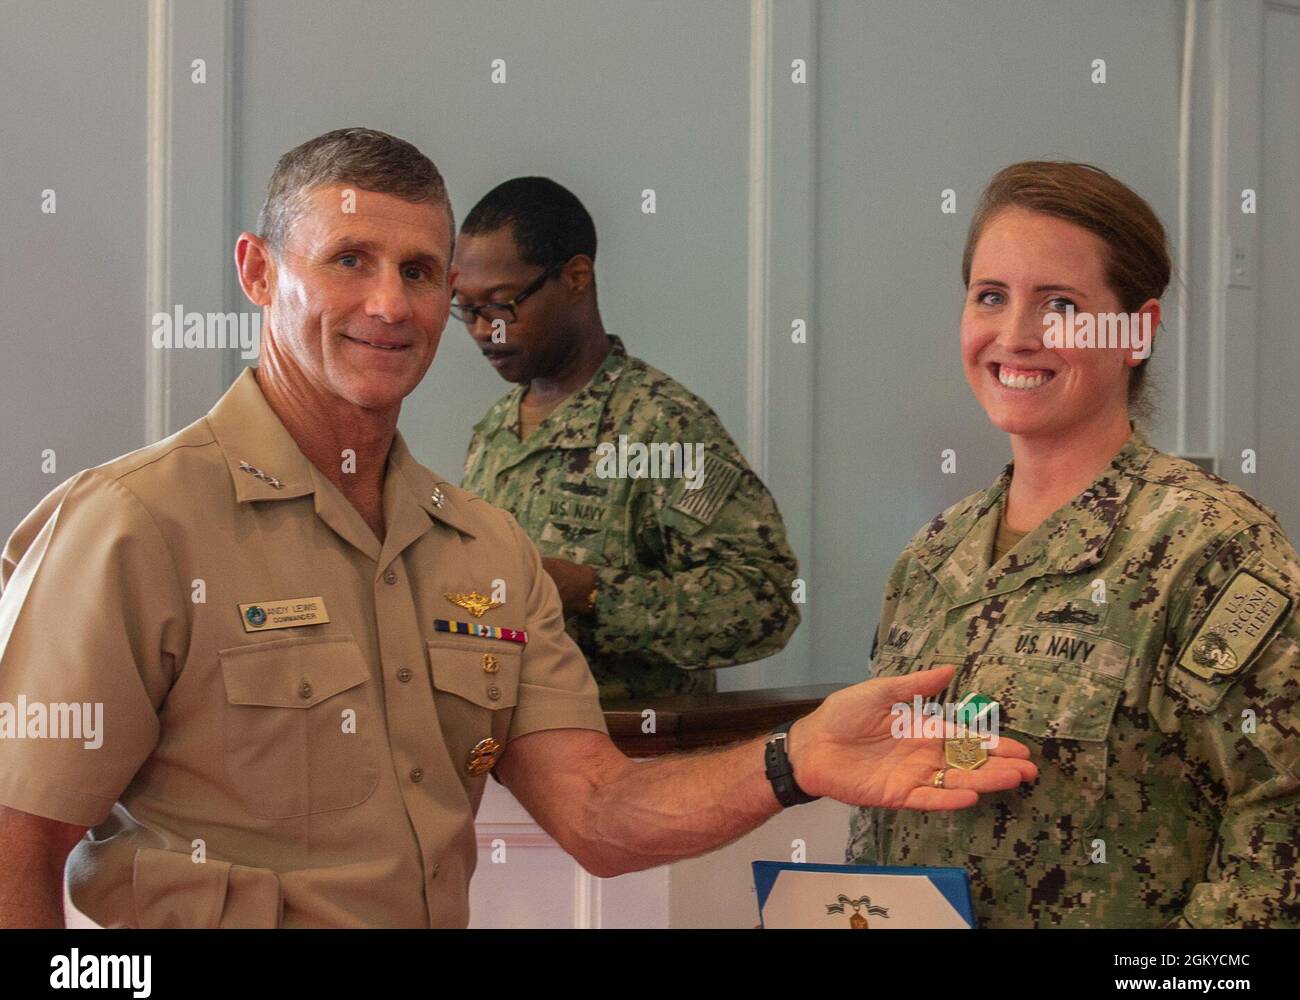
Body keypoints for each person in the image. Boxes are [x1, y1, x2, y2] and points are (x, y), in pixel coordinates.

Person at [0, 129, 1037, 929]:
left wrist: (797, 757)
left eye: (418, 271)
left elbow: (599, 813)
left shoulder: (481, 552)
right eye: (348, 260)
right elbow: (15, 840)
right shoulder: (132, 526)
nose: (391, 304)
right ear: (259, 273)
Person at [846, 161, 1300, 928]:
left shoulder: (1214, 549)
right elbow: (887, 818)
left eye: (1060, 305)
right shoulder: (929, 559)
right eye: (991, 297)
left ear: (1136, 332)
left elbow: (1279, 833)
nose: (1015, 335)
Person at [455, 178, 799, 700]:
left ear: (575, 277)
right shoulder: (492, 431)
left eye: (502, 304)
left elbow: (765, 602)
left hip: (638, 757)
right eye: (465, 308)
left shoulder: (661, 427)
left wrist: (592, 593)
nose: (483, 330)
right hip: (506, 755)